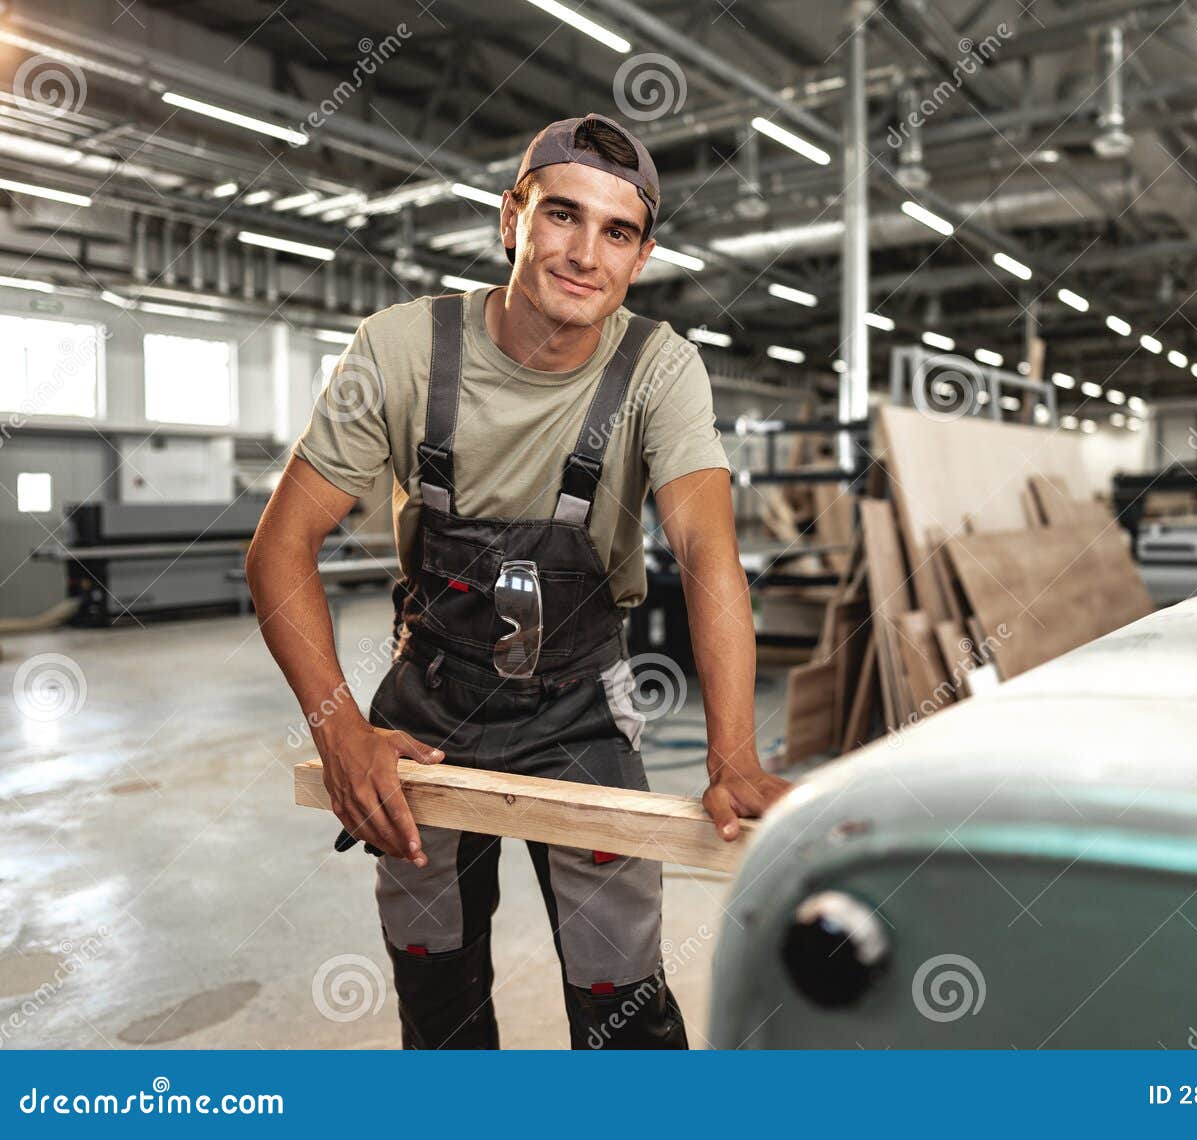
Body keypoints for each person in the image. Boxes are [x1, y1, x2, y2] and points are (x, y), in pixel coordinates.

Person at [247, 112, 792, 1049]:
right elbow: (279, 548)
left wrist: (731, 754)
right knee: (438, 1000)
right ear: (513, 219)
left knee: (622, 1003)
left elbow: (708, 555)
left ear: (643, 254)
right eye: (561, 217)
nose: (584, 254)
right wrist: (340, 728)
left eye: (616, 232)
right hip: (427, 713)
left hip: (581, 708)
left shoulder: (661, 370)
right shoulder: (397, 349)